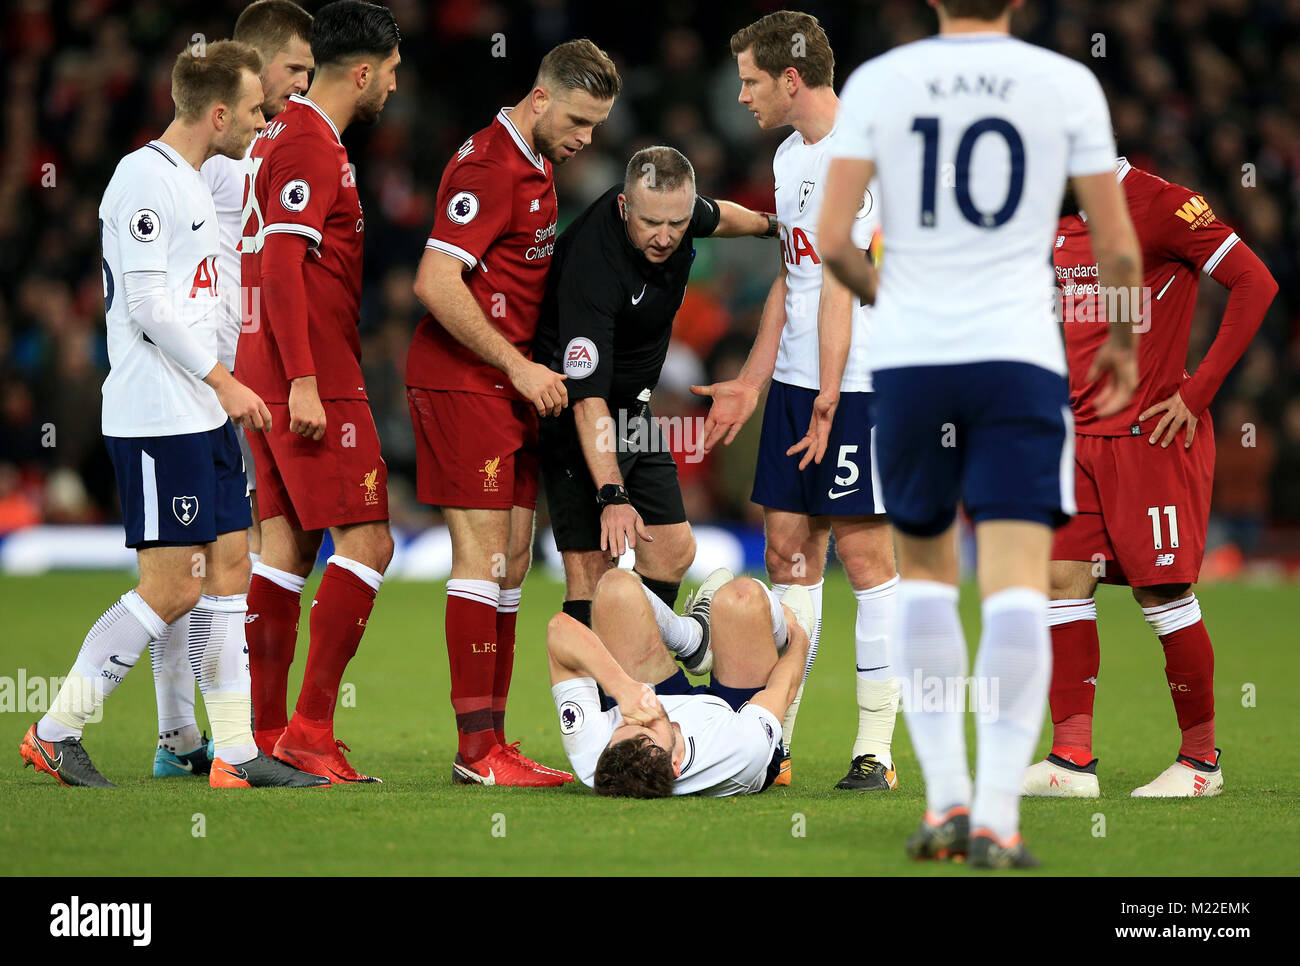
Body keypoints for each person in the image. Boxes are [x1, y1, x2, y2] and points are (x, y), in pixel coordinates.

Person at [819, 0, 1142, 867]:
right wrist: (1122, 341)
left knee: (923, 579)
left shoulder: (881, 82)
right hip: (1020, 360)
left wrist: (906, 305)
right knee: (1014, 587)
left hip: (915, 364)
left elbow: (834, 243)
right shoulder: (1066, 83)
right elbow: (1116, 247)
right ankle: (1000, 814)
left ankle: (946, 806)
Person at [20, 40, 326, 789]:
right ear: (218, 113)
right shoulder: (141, 181)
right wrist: (225, 380)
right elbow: (151, 306)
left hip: (201, 411)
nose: (264, 122)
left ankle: (233, 753)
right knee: (173, 588)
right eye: (256, 111)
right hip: (158, 415)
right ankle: (56, 729)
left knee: (228, 576)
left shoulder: (193, 178)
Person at [692, 10, 901, 791]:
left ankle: (874, 752)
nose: (740, 95)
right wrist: (753, 377)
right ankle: (776, 742)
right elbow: (796, 273)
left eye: (749, 80)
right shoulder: (788, 156)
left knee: (864, 553)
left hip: (864, 383)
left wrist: (831, 390)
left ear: (789, 78)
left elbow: (849, 279)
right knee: (787, 550)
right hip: (794, 382)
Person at [1023, 159, 1277, 799]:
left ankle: (1201, 764)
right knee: (1060, 583)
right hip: (1078, 437)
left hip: (1153, 438)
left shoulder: (1164, 205)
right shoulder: (1055, 219)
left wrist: (1196, 392)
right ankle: (1070, 760)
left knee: (1161, 595)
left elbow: (1256, 282)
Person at [406, 40, 621, 787]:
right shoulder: (489, 165)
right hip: (467, 382)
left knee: (514, 564)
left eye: (596, 127)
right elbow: (435, 281)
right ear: (541, 98)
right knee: (485, 558)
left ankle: (492, 744)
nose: (586, 139)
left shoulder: (536, 164)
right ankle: (475, 753)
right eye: (580, 121)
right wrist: (517, 364)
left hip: (509, 390)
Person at [150, 0, 315, 780]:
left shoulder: (255, 149)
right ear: (254, 66)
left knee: (210, 568)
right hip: (203, 382)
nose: (299, 89)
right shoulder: (222, 160)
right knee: (193, 572)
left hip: (226, 380)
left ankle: (196, 739)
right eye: (292, 73)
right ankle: (189, 735)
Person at [238, 0, 401, 783]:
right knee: (369, 544)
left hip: (261, 369)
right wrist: (305, 376)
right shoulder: (306, 138)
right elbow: (280, 266)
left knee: (287, 549)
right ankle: (308, 731)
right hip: (312, 375)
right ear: (363, 72)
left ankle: (266, 739)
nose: (396, 89)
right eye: (392, 73)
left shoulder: (273, 136)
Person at [532, 144, 774, 653]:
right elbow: (586, 399)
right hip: (578, 418)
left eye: (677, 223)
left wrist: (775, 226)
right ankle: (598, 720)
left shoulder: (677, 215)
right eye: (650, 224)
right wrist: (612, 495)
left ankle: (655, 675)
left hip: (633, 411)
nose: (664, 237)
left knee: (671, 550)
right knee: (592, 573)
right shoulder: (594, 266)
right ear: (624, 207)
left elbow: (722, 216)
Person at [548, 567, 813, 797]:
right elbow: (783, 688)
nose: (637, 716)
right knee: (743, 596)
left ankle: (694, 639)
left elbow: (559, 631)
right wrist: (798, 639)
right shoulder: (739, 750)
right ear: (676, 765)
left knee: (615, 587)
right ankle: (781, 735)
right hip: (733, 714)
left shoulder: (592, 753)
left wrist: (621, 688)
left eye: (622, 726)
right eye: (647, 727)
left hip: (667, 696)